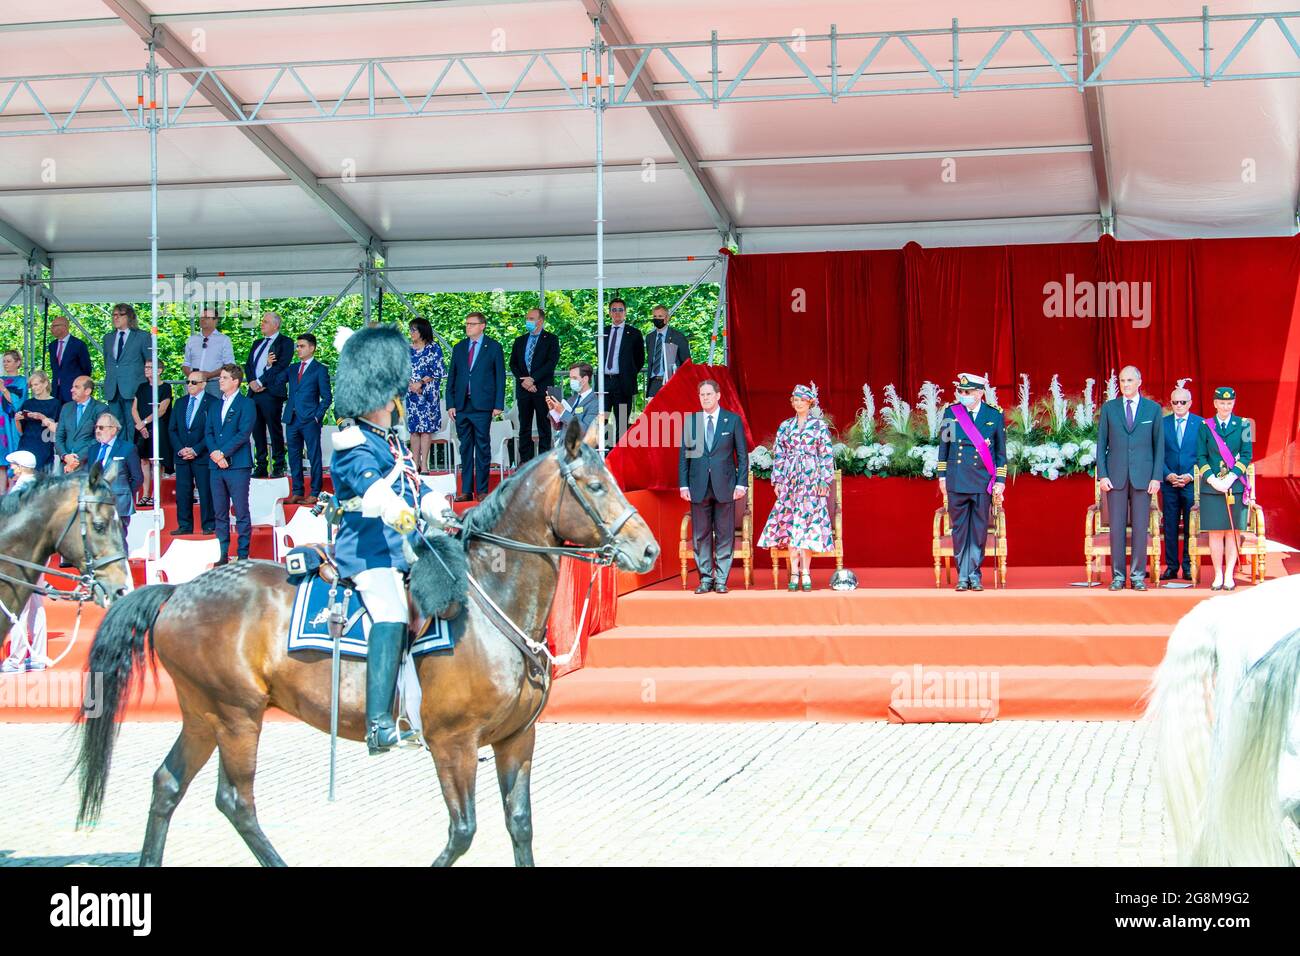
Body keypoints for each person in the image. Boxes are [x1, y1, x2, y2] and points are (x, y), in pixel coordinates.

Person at [329, 325, 448, 754]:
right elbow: (372, 490)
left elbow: (416, 485)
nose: (394, 403)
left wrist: (440, 507)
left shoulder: (392, 443)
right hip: (368, 552)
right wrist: (396, 510)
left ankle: (422, 717)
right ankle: (379, 723)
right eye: (389, 396)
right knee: (393, 614)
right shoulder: (352, 443)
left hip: (404, 550)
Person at [758, 383, 835, 592]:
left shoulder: (819, 426)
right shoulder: (785, 426)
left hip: (812, 480)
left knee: (808, 526)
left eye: (802, 400)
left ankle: (807, 572)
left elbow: (827, 455)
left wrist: (823, 481)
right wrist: (778, 481)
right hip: (791, 480)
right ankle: (793, 572)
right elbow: (779, 455)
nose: (798, 403)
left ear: (810, 402)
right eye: (795, 400)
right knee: (792, 525)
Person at [936, 373, 1008, 592]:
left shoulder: (994, 415)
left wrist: (1001, 481)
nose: (963, 396)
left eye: (968, 392)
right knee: (959, 530)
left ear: (980, 393)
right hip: (957, 479)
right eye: (961, 392)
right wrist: (942, 476)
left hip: (981, 481)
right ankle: (962, 576)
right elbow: (944, 447)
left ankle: (974, 575)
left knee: (978, 530)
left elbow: (1000, 453)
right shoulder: (951, 412)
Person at [1097, 364, 1164, 591]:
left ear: (1139, 382)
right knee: (1116, 528)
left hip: (1143, 478)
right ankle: (1117, 576)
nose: (1125, 385)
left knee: (1140, 528)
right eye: (1122, 381)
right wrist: (1102, 475)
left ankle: (1137, 576)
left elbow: (1159, 447)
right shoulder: (1109, 408)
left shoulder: (1153, 409)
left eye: (1129, 381)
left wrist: (1156, 477)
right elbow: (1101, 445)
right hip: (1115, 477)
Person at [679, 379, 749, 594]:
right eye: (702, 395)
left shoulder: (732, 420)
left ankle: (721, 579)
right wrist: (683, 485)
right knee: (700, 534)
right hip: (698, 485)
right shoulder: (692, 422)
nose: (705, 398)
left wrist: (741, 484)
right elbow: (685, 457)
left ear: (718, 395)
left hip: (725, 485)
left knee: (725, 533)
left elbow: (743, 456)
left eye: (709, 394)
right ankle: (706, 579)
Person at [1196, 386, 1253, 591]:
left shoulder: (1244, 425)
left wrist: (1230, 477)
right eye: (1222, 403)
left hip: (1235, 486)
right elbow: (1201, 457)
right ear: (1215, 403)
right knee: (1216, 532)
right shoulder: (1205, 426)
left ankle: (1229, 574)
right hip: (1212, 488)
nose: (1225, 406)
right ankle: (1217, 574)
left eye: (1229, 403)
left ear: (1234, 403)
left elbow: (1247, 455)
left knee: (1232, 532)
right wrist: (1213, 480)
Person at [444, 312, 504, 501]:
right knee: (465, 448)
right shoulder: (459, 347)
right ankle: (466, 490)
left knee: (483, 447)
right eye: (467, 323)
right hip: (462, 405)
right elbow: (452, 376)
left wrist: (498, 404)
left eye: (472, 324)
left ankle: (482, 490)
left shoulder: (493, 347)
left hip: (483, 405)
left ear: (482, 325)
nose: (468, 327)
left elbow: (500, 377)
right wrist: (450, 403)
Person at [0, 450, 49, 673]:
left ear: (20, 467)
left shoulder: (20, 489)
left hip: (23, 554)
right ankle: (38, 656)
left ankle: (15, 660)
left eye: (14, 466)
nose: (12, 469)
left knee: (18, 607)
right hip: (41, 552)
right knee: (36, 606)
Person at [205, 364, 256, 563]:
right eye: (220, 377)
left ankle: (243, 554)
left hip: (238, 465)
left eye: (224, 377)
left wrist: (223, 452)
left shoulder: (246, 404)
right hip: (216, 465)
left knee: (241, 510)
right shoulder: (215, 405)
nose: (220, 380)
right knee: (219, 511)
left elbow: (244, 433)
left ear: (235, 381)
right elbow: (208, 432)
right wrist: (216, 455)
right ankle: (222, 553)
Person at [80, 413, 143, 548]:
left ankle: (123, 568)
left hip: (119, 503)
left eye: (101, 427)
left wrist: (125, 494)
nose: (97, 431)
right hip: (97, 504)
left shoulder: (128, 448)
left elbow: (137, 478)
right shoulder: (93, 449)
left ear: (113, 429)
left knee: (118, 541)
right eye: (96, 427)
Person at [283, 333, 332, 505]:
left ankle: (315, 491)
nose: (298, 349)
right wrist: (268, 365)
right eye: (298, 346)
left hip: (310, 419)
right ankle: (297, 491)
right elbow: (278, 380)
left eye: (302, 346)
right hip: (292, 418)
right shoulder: (292, 368)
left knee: (313, 455)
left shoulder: (320, 369)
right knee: (294, 456)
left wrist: (318, 417)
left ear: (312, 348)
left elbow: (327, 397)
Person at [244, 311, 294, 479]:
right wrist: (252, 381)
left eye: (265, 321)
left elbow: (281, 366)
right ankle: (261, 465)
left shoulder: (285, 342)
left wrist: (261, 382)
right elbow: (248, 365)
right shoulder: (257, 342)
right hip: (254, 392)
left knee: (274, 429)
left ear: (276, 325)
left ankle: (279, 464)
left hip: (271, 392)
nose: (262, 324)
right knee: (256, 429)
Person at [1161, 384, 1201, 581]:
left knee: (1190, 527)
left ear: (1190, 403)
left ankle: (1187, 566)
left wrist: (1190, 476)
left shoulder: (1201, 424)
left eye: (1182, 402)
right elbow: (1156, 454)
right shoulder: (1162, 424)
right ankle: (1171, 566)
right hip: (1168, 483)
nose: (1178, 405)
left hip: (1191, 483)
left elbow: (1203, 456)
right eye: (1175, 402)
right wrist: (1167, 474)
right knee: (1169, 525)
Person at [509, 307, 559, 464]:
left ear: (540, 321)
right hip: (524, 390)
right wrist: (525, 381)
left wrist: (533, 379)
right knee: (524, 425)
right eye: (527, 318)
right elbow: (513, 364)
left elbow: (551, 363)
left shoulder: (551, 339)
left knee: (544, 424)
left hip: (542, 389)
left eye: (531, 318)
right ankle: (526, 460)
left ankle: (544, 460)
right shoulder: (520, 341)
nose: (528, 321)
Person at [169, 370, 216, 535]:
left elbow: (212, 431)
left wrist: (196, 449)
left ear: (203, 384)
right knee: (183, 491)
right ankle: (184, 525)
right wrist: (181, 449)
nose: (189, 385)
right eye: (188, 382)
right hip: (182, 455)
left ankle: (209, 525)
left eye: (193, 382)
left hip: (201, 455)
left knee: (205, 491)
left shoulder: (213, 403)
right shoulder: (180, 403)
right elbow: (172, 429)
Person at [599, 298, 644, 443]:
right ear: (609, 313)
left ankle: (620, 458)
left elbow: (639, 360)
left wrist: (627, 374)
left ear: (625, 312)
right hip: (605, 383)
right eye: (614, 310)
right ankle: (602, 454)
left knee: (623, 422)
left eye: (620, 310)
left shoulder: (634, 333)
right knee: (601, 421)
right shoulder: (602, 332)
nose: (617, 313)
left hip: (623, 384)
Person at [100, 303, 148, 441]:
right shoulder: (108, 338)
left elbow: (149, 362)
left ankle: (132, 455)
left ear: (130, 317)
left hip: (134, 388)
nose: (116, 318)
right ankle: (118, 456)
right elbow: (108, 361)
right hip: (113, 388)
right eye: (114, 315)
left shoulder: (142, 336)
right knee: (115, 424)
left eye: (120, 315)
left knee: (132, 424)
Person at [405, 318, 446, 473]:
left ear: (422, 330)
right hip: (412, 395)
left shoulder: (433, 348)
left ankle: (425, 464)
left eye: (414, 330)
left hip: (428, 393)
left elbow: (438, 370)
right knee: (414, 429)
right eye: (410, 329)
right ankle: (415, 463)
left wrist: (420, 383)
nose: (411, 333)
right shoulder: (407, 349)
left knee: (426, 429)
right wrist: (412, 384)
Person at [131, 358, 173, 507]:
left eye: (150, 367)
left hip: (158, 426)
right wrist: (140, 426)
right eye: (146, 367)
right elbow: (134, 409)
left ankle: (156, 495)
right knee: (144, 460)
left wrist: (144, 423)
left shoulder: (165, 387)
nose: (146, 369)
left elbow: (161, 410)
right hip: (142, 427)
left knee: (157, 460)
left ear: (159, 370)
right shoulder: (141, 387)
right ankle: (146, 494)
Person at [53, 376, 109, 473]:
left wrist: (77, 459)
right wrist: (65, 456)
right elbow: (59, 436)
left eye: (76, 387)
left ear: (87, 391)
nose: (71, 390)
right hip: (65, 464)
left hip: (87, 465)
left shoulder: (100, 408)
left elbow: (100, 438)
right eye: (72, 387)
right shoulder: (66, 408)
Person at [183, 306, 237, 399]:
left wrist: (209, 375)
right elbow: (186, 363)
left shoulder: (224, 340)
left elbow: (229, 365)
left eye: (207, 317)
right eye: (201, 317)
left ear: (215, 320)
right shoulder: (192, 340)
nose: (203, 320)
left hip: (215, 383)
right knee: (194, 410)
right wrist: (193, 377)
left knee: (214, 410)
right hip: (194, 384)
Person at [644, 304, 692, 399]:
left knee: (671, 414)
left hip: (671, 384)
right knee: (654, 414)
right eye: (655, 316)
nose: (657, 319)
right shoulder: (650, 337)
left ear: (667, 318)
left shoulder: (678, 337)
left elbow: (686, 363)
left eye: (660, 316)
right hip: (653, 384)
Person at [15, 370, 60, 471]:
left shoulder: (55, 404)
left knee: (41, 477)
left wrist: (41, 417)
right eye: (32, 385)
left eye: (36, 384)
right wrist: (17, 420)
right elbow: (21, 431)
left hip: (44, 445)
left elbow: (58, 429)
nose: (34, 388)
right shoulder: (27, 403)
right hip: (26, 443)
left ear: (45, 383)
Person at [47, 315, 92, 406]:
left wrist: (80, 387)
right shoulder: (52, 345)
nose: (51, 329)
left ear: (65, 326)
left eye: (54, 326)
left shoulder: (78, 344)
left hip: (73, 390)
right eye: (51, 326)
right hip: (56, 391)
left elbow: (86, 369)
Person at [545, 362, 601, 437]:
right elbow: (558, 426)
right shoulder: (571, 399)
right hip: (563, 445)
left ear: (585, 379)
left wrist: (563, 412)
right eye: (570, 378)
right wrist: (553, 409)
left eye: (574, 378)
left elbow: (586, 431)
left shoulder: (595, 402)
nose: (571, 381)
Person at [0, 351, 27, 493]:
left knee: (12, 459)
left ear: (17, 363)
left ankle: (12, 492)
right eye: (4, 361)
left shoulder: (22, 381)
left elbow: (18, 404)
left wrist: (3, 389)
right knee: (0, 462)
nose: (5, 364)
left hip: (11, 423)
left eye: (9, 361)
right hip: (0, 424)